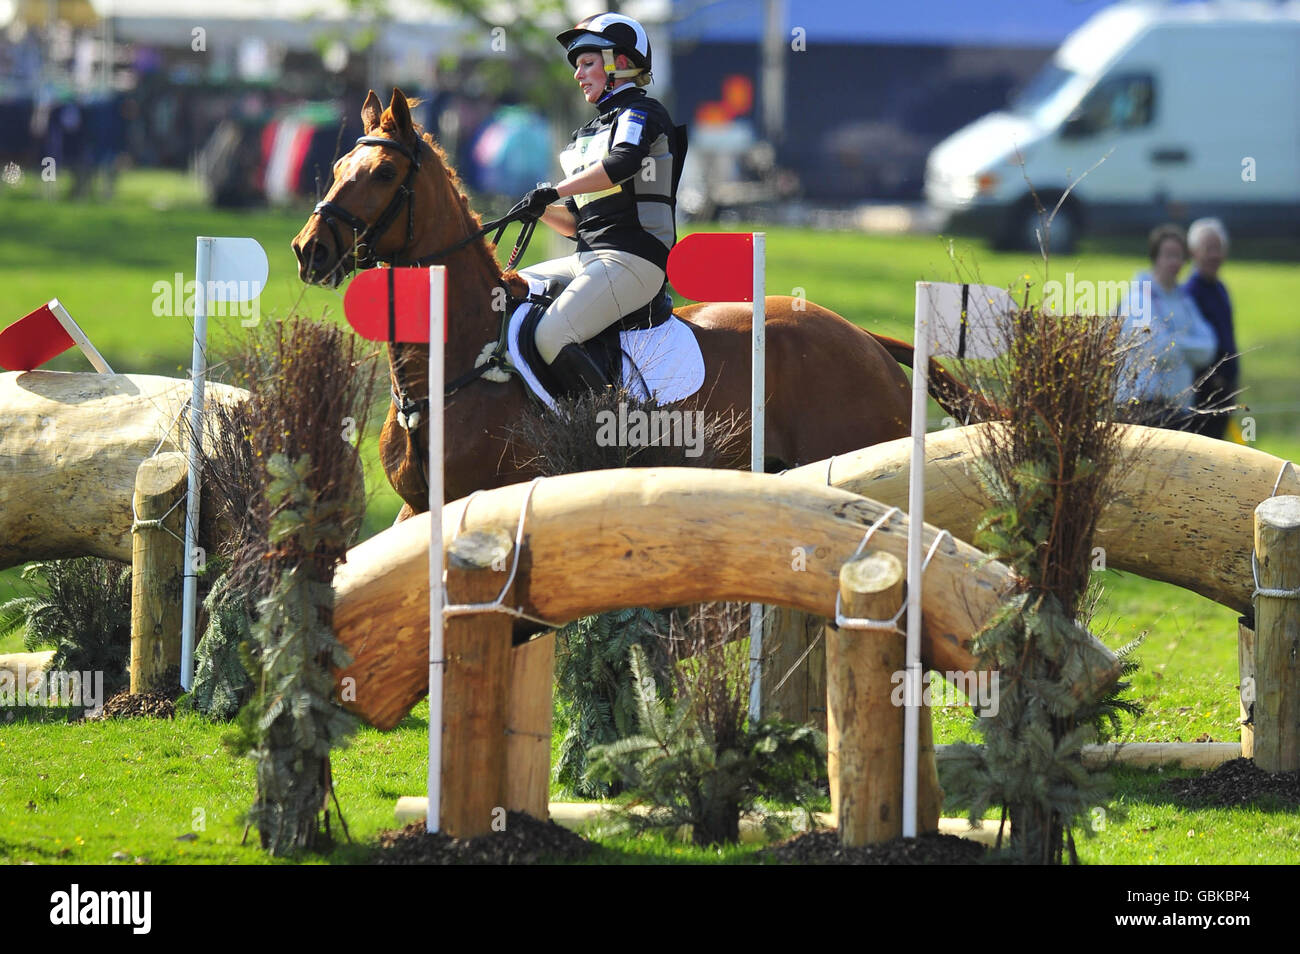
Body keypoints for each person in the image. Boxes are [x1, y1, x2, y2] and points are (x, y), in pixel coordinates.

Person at [511, 12, 682, 396]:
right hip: (587, 257)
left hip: (634, 260)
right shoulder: (586, 134)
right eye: (577, 65)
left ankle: (609, 430)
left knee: (551, 335)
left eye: (587, 63)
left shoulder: (642, 111)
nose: (578, 74)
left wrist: (555, 191)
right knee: (508, 295)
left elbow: (621, 164)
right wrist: (540, 210)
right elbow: (577, 223)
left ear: (620, 64)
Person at [1118, 224, 1217, 430]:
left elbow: (1208, 348)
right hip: (1142, 408)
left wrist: (1175, 341)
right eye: (1168, 255)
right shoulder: (1138, 299)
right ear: (1155, 257)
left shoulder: (1185, 302)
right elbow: (1157, 349)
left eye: (1179, 255)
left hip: (1178, 408)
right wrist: (1186, 346)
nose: (1174, 261)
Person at [1182, 218, 1240, 439]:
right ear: (1194, 252)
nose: (1215, 255)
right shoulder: (1190, 292)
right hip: (1203, 394)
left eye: (1219, 249)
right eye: (1209, 249)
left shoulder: (1221, 289)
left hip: (1226, 390)